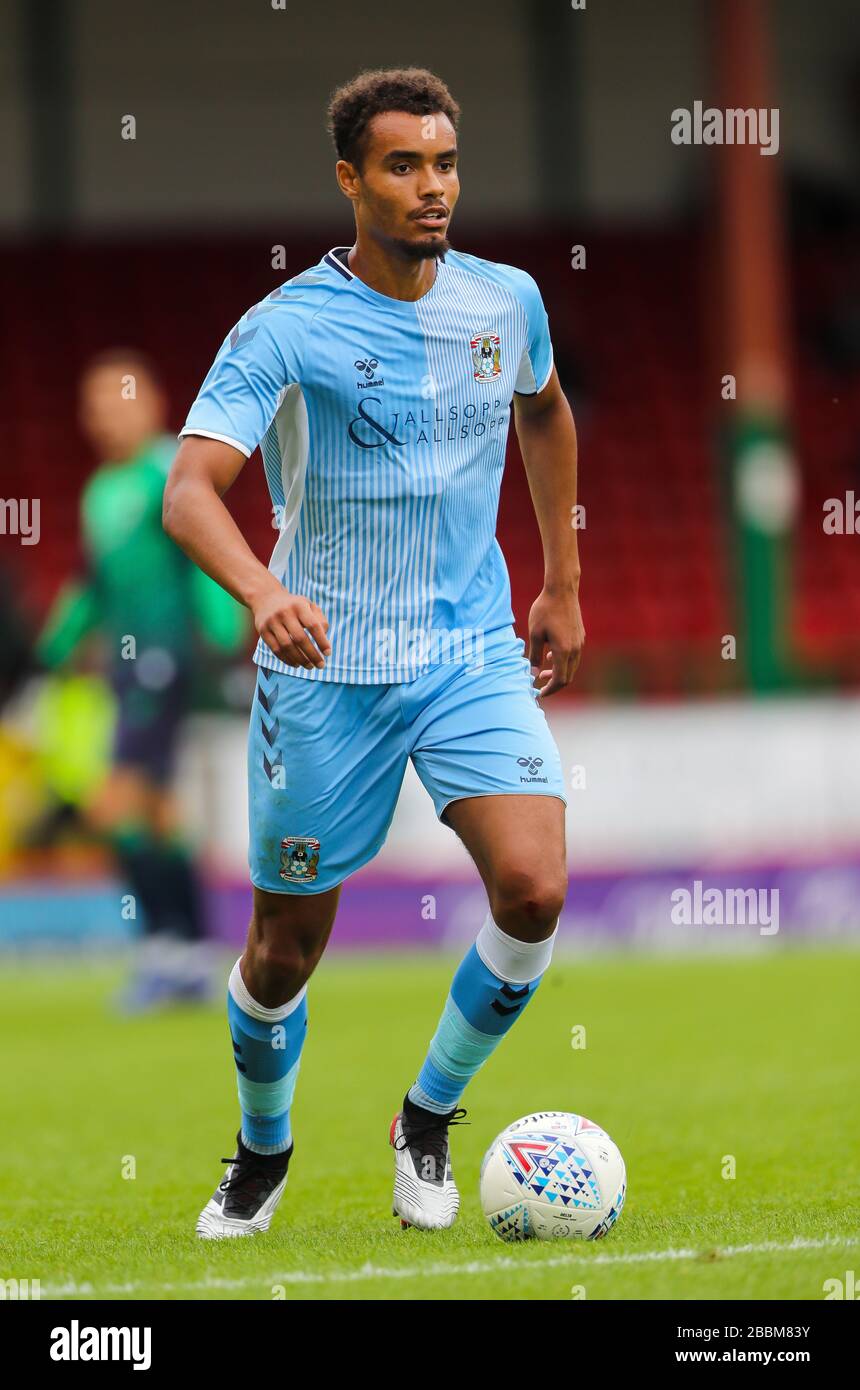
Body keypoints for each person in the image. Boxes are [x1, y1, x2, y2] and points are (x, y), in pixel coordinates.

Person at [163, 67, 584, 1239]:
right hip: (322, 672)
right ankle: (260, 1148)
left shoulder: (504, 302)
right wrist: (256, 589)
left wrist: (560, 578)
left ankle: (427, 1117)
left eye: (444, 164)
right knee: (282, 950)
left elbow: (543, 411)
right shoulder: (286, 325)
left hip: (467, 654)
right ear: (350, 181)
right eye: (403, 166)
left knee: (536, 886)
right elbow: (190, 490)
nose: (431, 187)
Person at [37, 350, 246, 1010]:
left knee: (112, 803)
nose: (103, 417)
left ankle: (162, 948)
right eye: (93, 406)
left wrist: (224, 625)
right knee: (157, 815)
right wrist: (59, 644)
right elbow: (92, 581)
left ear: (152, 403)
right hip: (125, 670)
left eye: (115, 401)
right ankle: (189, 954)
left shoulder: (167, 468)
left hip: (166, 657)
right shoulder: (100, 491)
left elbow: (203, 549)